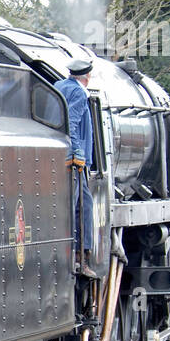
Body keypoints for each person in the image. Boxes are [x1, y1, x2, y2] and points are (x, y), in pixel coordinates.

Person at [55, 57, 97, 279]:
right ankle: (81, 255)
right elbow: (70, 121)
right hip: (74, 161)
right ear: (87, 77)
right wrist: (76, 151)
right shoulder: (80, 93)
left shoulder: (58, 86)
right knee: (84, 205)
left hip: (58, 155)